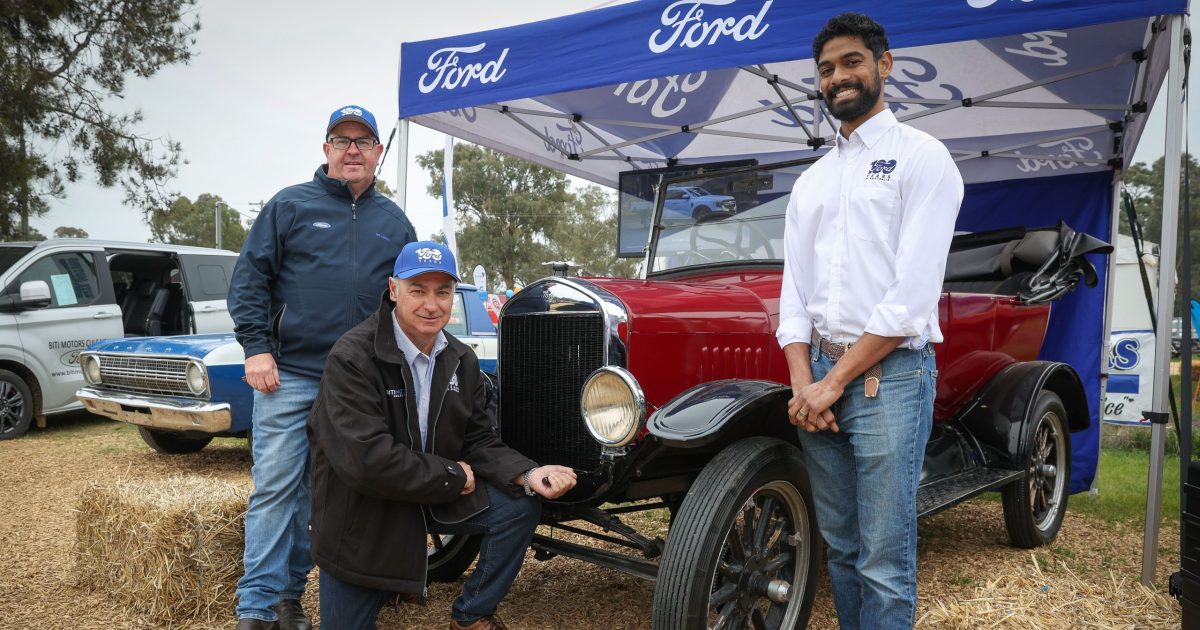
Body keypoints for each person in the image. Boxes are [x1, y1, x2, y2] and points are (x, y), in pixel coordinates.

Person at [776, 13, 964, 630]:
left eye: (852, 62)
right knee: (845, 550)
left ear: (884, 64)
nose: (838, 78)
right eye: (826, 69)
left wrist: (832, 384)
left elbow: (911, 296)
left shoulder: (923, 158)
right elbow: (794, 294)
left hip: (891, 377)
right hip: (821, 378)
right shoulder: (811, 181)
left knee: (884, 559)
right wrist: (807, 382)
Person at [307, 240, 577, 630]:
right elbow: (366, 460)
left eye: (443, 292)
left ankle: (471, 614)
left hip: (433, 493)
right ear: (393, 289)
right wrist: (452, 476)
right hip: (366, 513)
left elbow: (479, 439)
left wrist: (529, 474)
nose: (431, 304)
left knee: (520, 505)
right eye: (417, 290)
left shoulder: (460, 358)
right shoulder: (351, 358)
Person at [228, 104, 417, 630]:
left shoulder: (395, 222)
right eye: (342, 139)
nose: (352, 149)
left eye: (363, 141)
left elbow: (406, 300)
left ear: (378, 152)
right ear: (326, 149)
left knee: (322, 497)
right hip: (289, 374)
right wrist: (255, 347)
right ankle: (257, 610)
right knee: (275, 489)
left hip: (356, 386)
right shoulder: (289, 206)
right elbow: (249, 281)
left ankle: (290, 597)